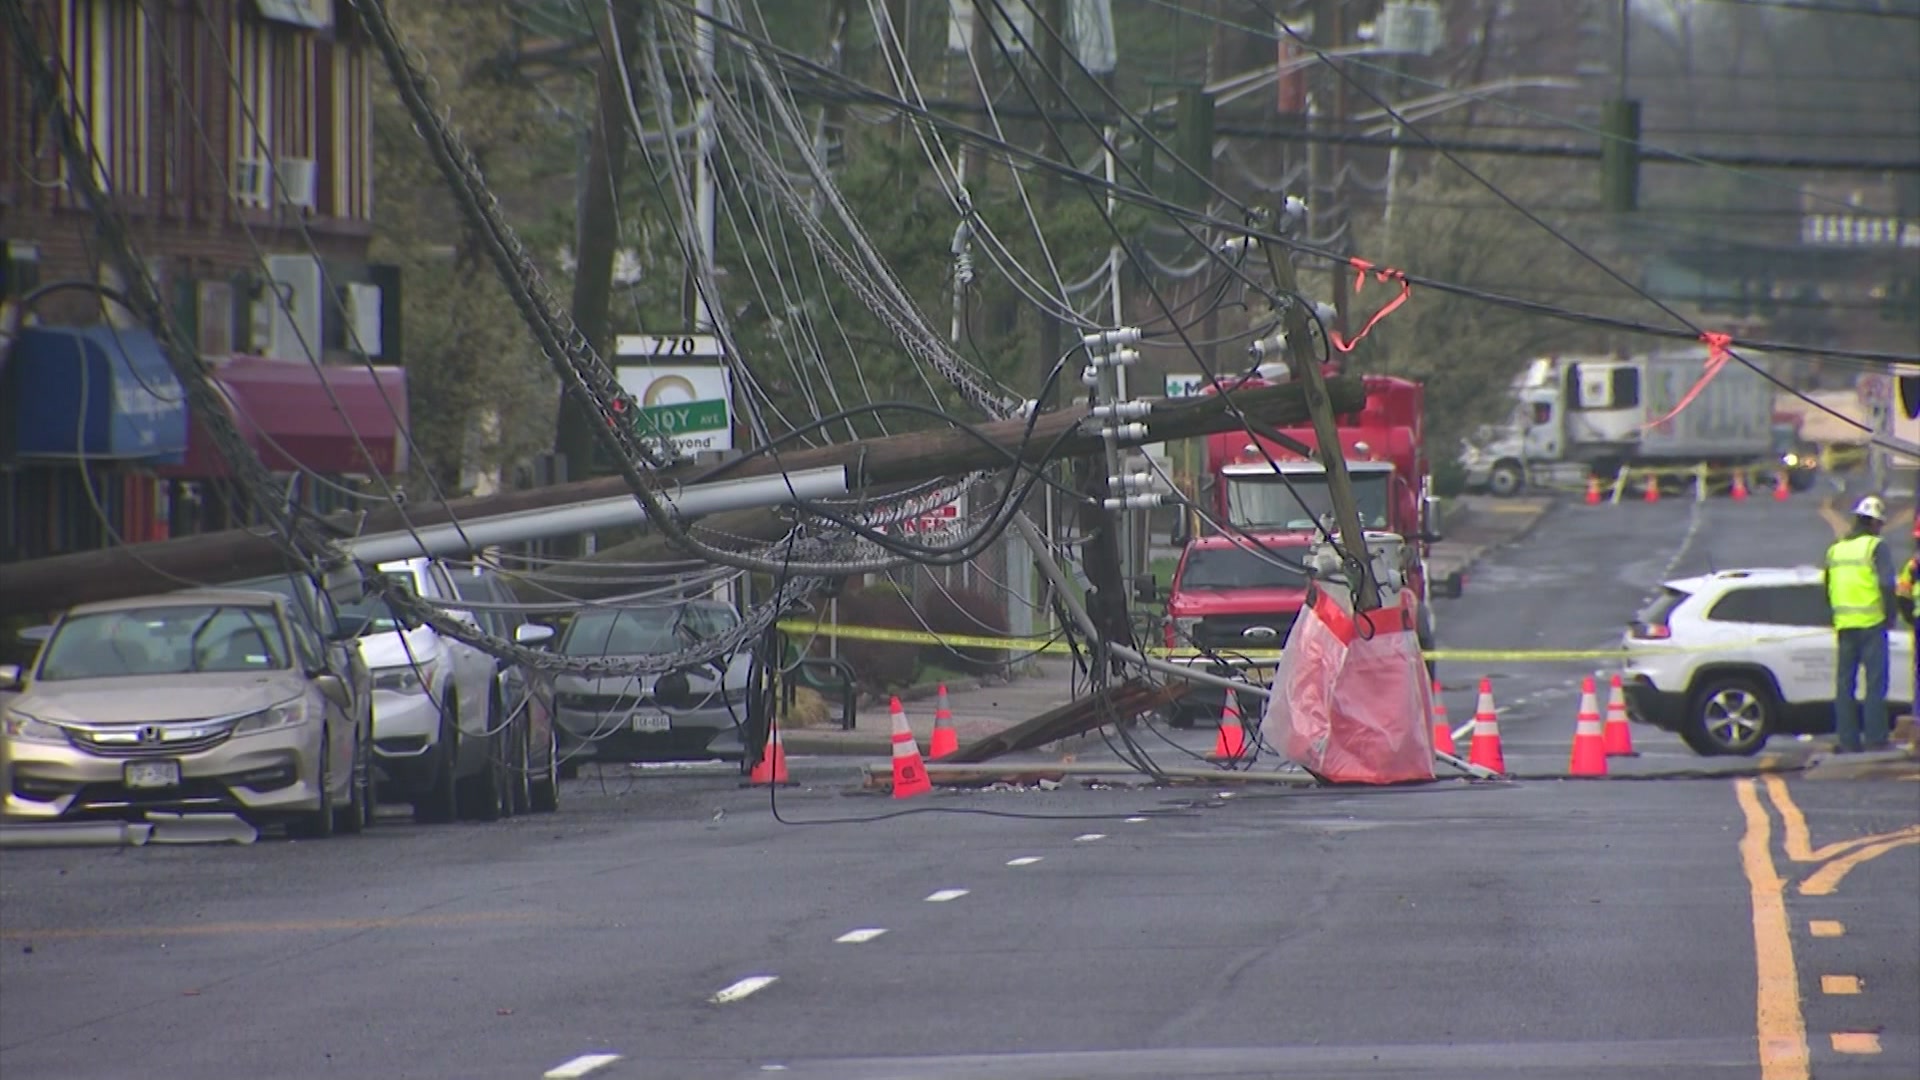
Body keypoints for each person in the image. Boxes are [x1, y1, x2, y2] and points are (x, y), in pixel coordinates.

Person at [1823, 495, 1898, 753]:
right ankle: (1875, 739)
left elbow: (1827, 586)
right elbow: (1887, 584)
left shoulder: (1836, 549)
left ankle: (1847, 740)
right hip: (1871, 623)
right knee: (1875, 683)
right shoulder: (1876, 547)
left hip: (1844, 624)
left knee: (1845, 685)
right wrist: (1891, 616)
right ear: (1875, 523)